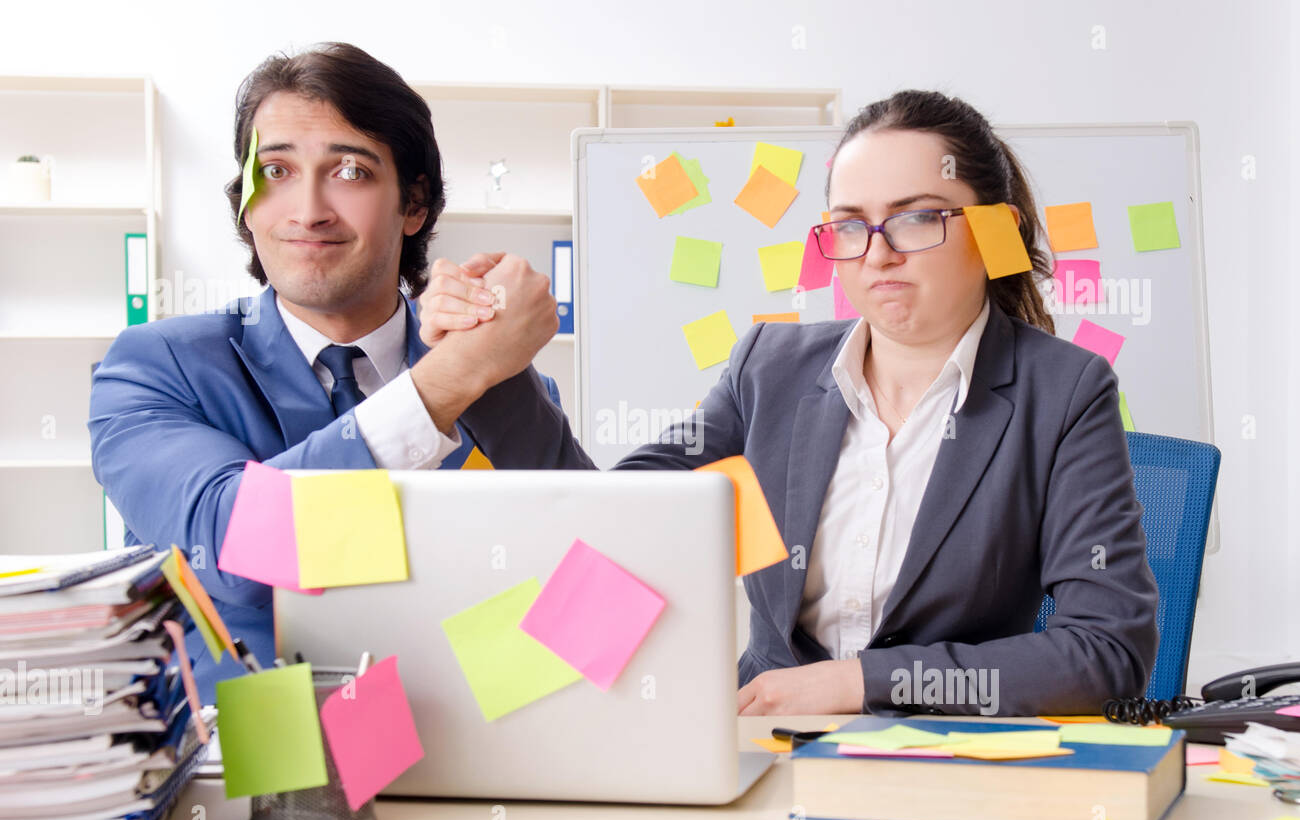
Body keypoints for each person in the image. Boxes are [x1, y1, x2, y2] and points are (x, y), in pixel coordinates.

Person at [441, 89, 1160, 718]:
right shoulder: (771, 368)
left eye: (916, 218)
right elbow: (616, 517)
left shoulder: (1064, 391)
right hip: (766, 741)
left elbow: (1106, 652)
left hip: (946, 754)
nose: (877, 253)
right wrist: (486, 366)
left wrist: (857, 683)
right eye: (849, 224)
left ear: (997, 230)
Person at [89, 42, 562, 701]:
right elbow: (236, 550)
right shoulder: (154, 368)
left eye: (350, 171)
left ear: (414, 204)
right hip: (248, 754)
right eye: (276, 170)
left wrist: (489, 374)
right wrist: (444, 385)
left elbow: (596, 572)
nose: (307, 209)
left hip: (472, 742)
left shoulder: (498, 384)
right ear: (247, 203)